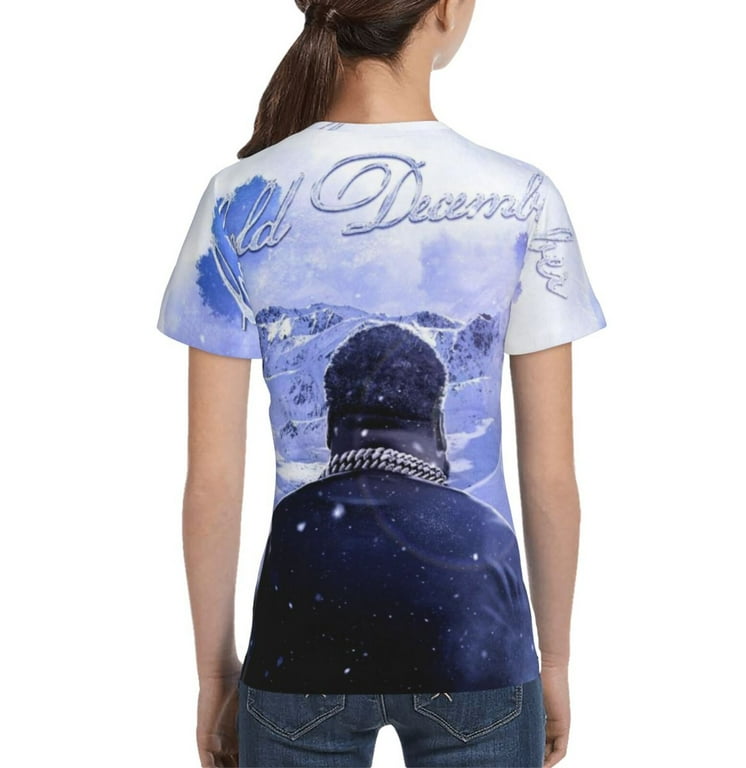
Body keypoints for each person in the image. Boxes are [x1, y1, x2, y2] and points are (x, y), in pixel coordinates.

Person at [156, 1, 607, 766]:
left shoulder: (237, 198)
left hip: (297, 635)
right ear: (446, 9)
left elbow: (213, 482)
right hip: (481, 641)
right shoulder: (525, 199)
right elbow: (551, 477)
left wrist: (214, 673)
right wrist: (555, 662)